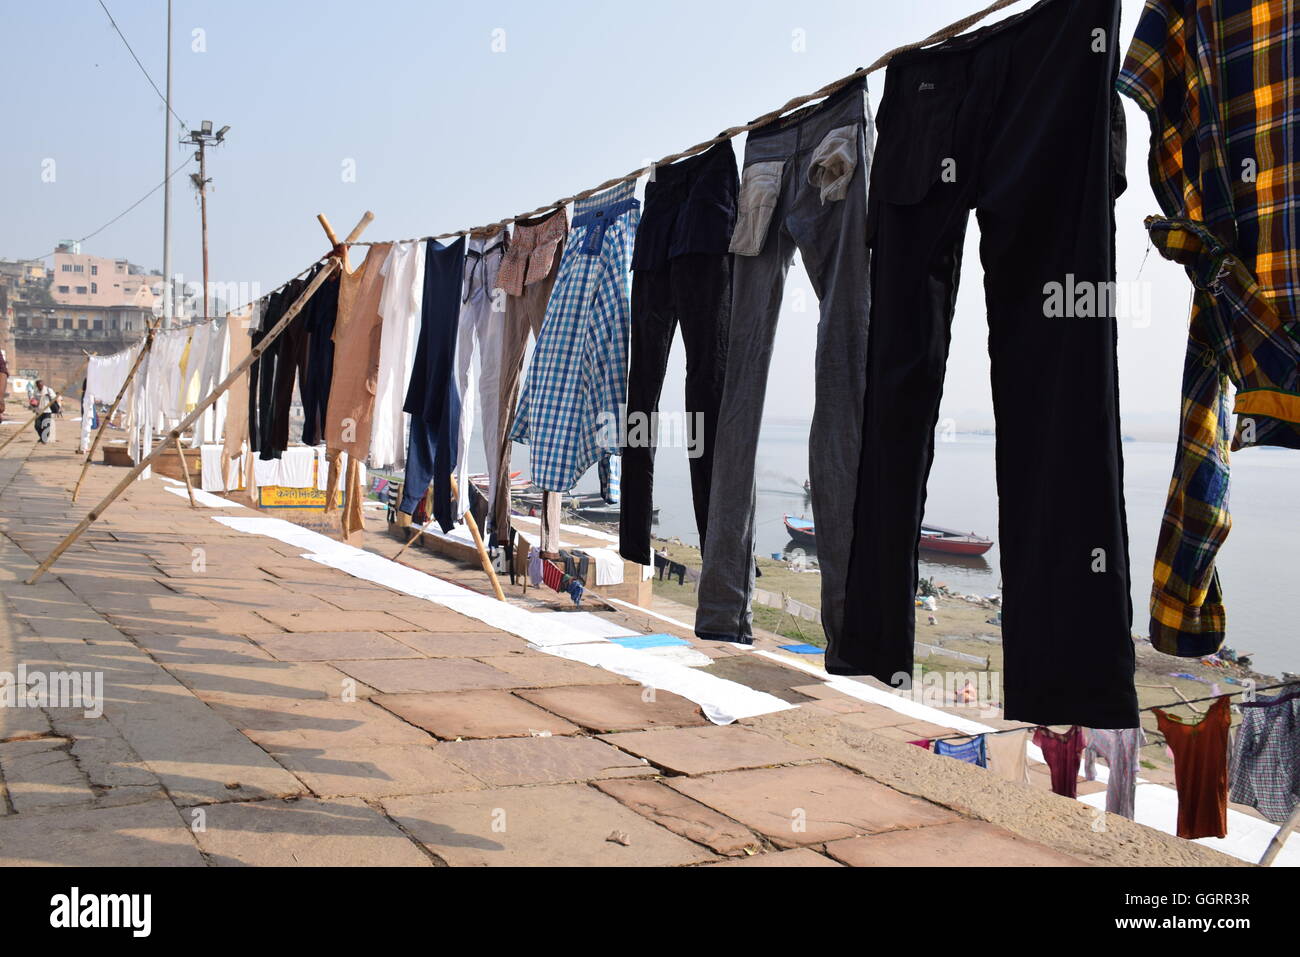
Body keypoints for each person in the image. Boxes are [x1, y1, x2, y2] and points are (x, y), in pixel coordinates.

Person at [31, 379, 58, 444]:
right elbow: (33, 398)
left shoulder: (48, 390)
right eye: (39, 386)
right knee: (37, 425)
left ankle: (44, 439)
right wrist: (33, 402)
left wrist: (49, 396)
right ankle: (42, 437)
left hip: (47, 411)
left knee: (46, 426)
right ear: (37, 386)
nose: (40, 387)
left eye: (41, 385)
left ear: (43, 384)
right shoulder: (36, 391)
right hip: (38, 411)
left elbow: (55, 398)